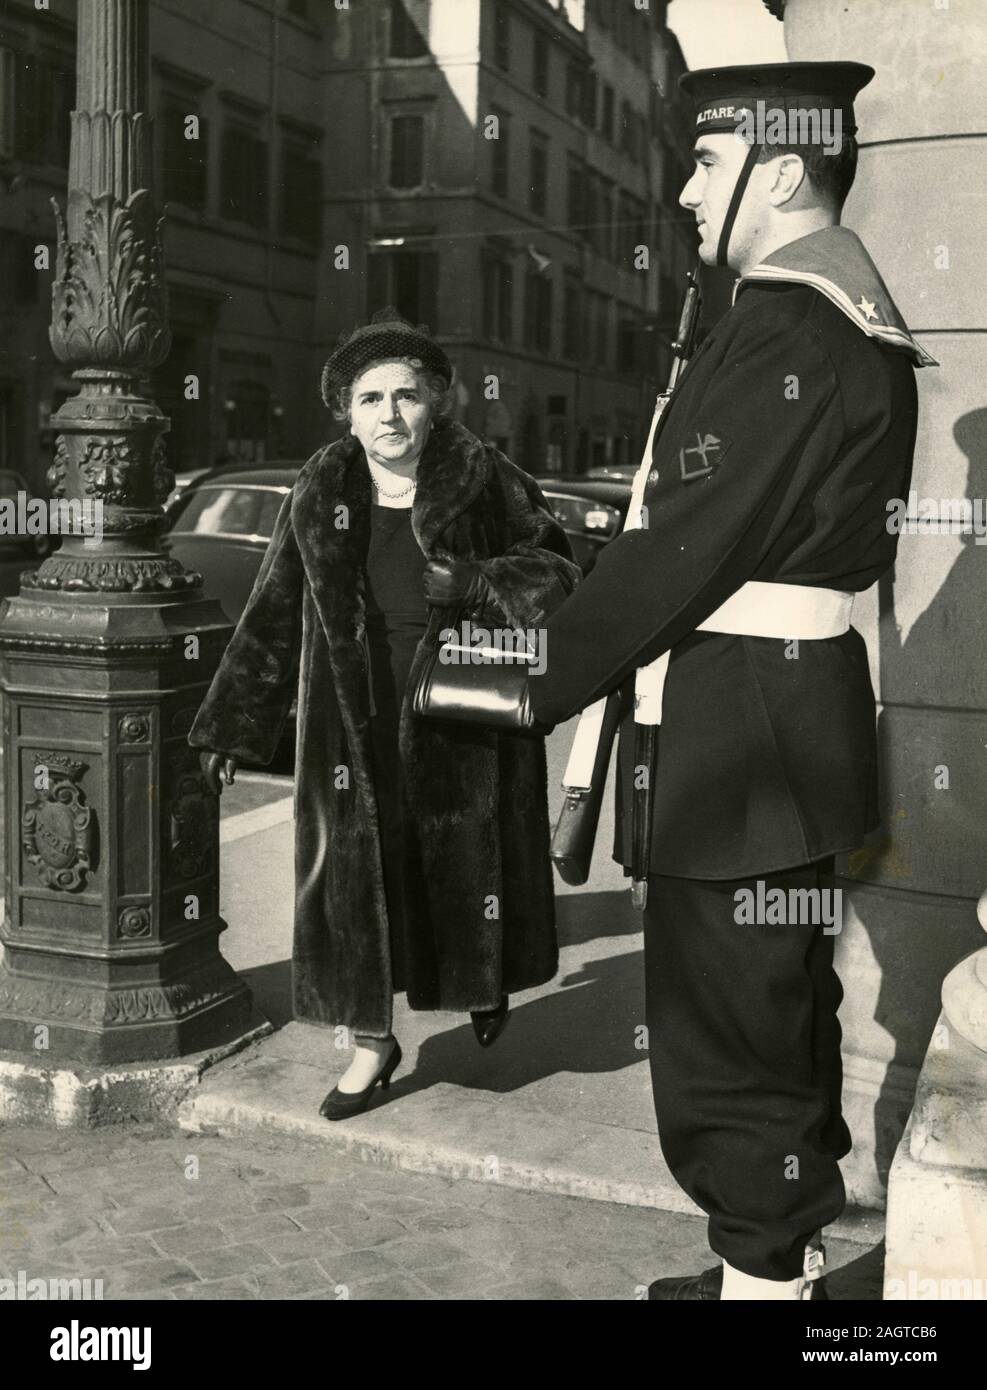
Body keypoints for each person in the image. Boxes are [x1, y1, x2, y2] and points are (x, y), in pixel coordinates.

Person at [524, 63, 935, 1299]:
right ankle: (772, 1265)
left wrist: (523, 675)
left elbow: (680, 546)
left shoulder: (789, 324)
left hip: (741, 729)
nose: (686, 192)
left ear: (785, 170)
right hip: (777, 715)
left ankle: (766, 1287)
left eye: (708, 164)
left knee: (728, 1035)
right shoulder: (825, 316)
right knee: (773, 1004)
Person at [189, 309, 580, 1121]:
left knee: (468, 870)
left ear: (436, 402)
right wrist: (231, 723)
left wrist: (477, 582)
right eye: (370, 399)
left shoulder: (484, 474)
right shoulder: (320, 488)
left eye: (405, 396)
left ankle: (482, 985)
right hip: (349, 723)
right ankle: (372, 1042)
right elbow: (271, 609)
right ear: (347, 410)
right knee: (359, 882)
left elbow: (559, 571)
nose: (389, 415)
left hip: (462, 716)